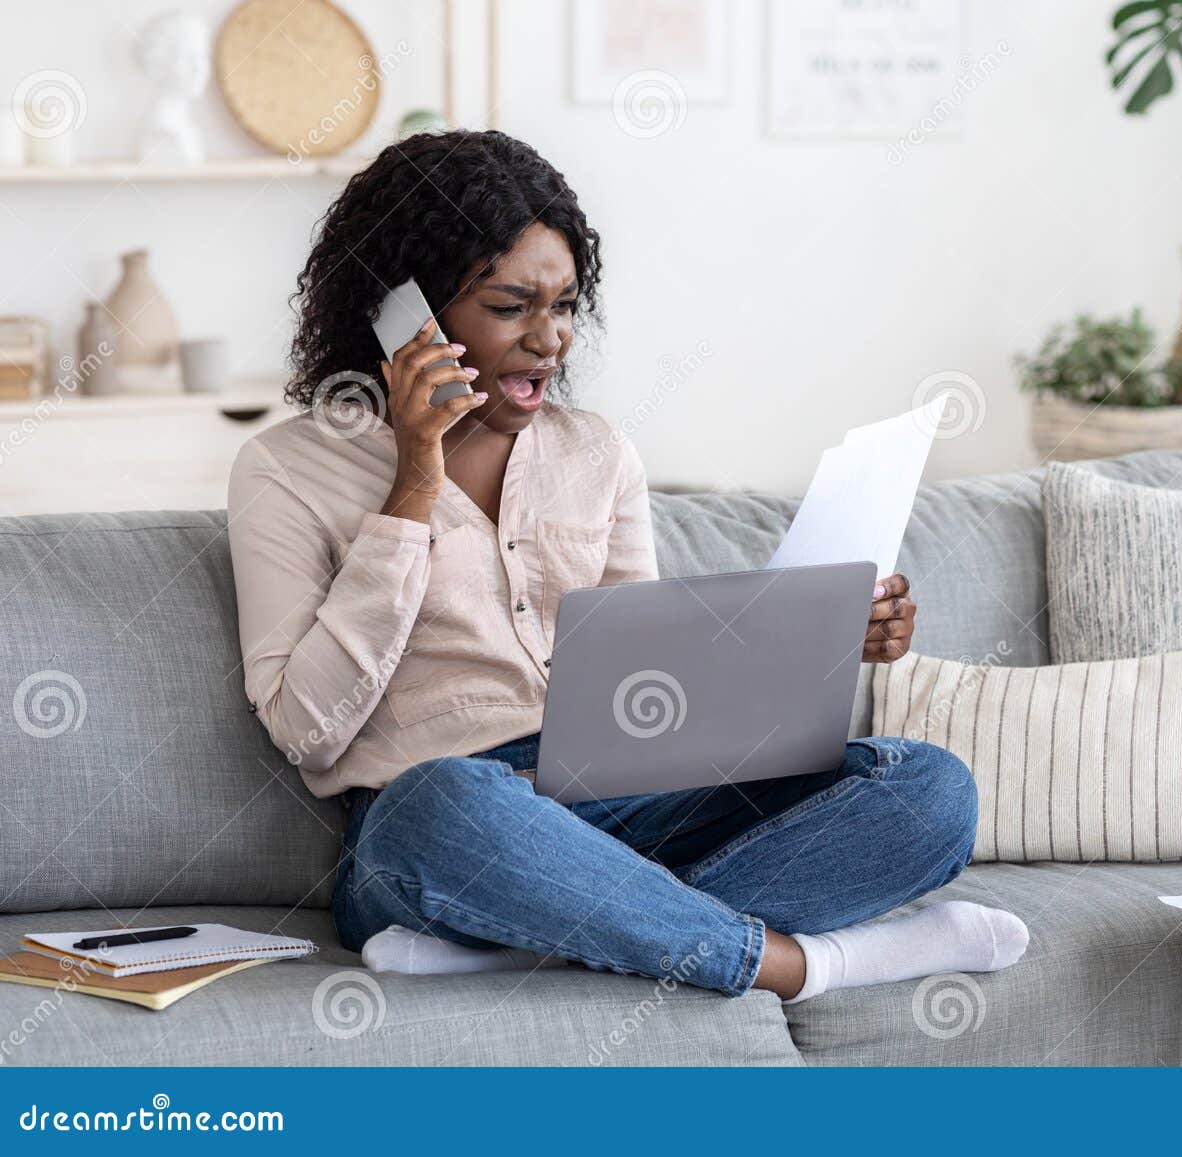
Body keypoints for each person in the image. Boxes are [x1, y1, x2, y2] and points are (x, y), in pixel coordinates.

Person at [228, 129, 1027, 1002]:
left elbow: (651, 700)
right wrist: (414, 483)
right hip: (445, 831)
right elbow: (305, 730)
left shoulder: (598, 454)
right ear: (405, 313)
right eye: (511, 307)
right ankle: (805, 964)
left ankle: (553, 935)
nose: (550, 339)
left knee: (928, 790)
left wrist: (821, 640)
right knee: (442, 803)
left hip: (624, 807)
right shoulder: (287, 469)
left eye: (565, 305)